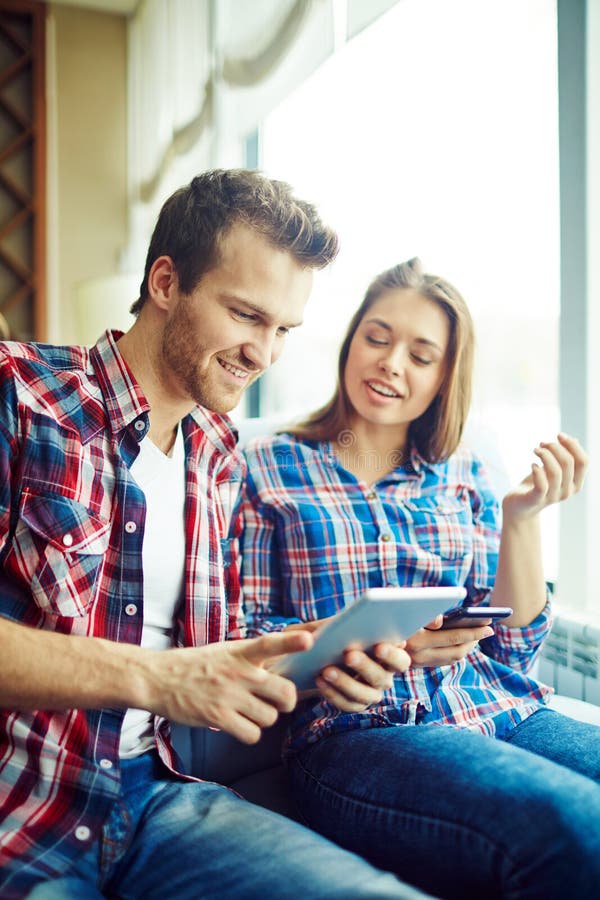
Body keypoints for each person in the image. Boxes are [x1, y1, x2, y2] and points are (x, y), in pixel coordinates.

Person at [0, 171, 431, 900]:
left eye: (283, 330)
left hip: (160, 800)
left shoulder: (219, 454)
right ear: (166, 282)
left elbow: (219, 656)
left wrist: (317, 661)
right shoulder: (20, 394)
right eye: (246, 315)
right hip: (24, 808)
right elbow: (176, 676)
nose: (264, 354)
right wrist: (158, 678)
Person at [241, 256, 600, 900]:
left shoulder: (463, 474)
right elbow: (243, 638)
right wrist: (380, 649)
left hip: (498, 709)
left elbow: (513, 646)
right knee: (578, 828)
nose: (391, 363)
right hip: (357, 734)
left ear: (444, 378)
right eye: (377, 338)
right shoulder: (266, 468)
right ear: (351, 341)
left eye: (420, 354)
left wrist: (521, 519)